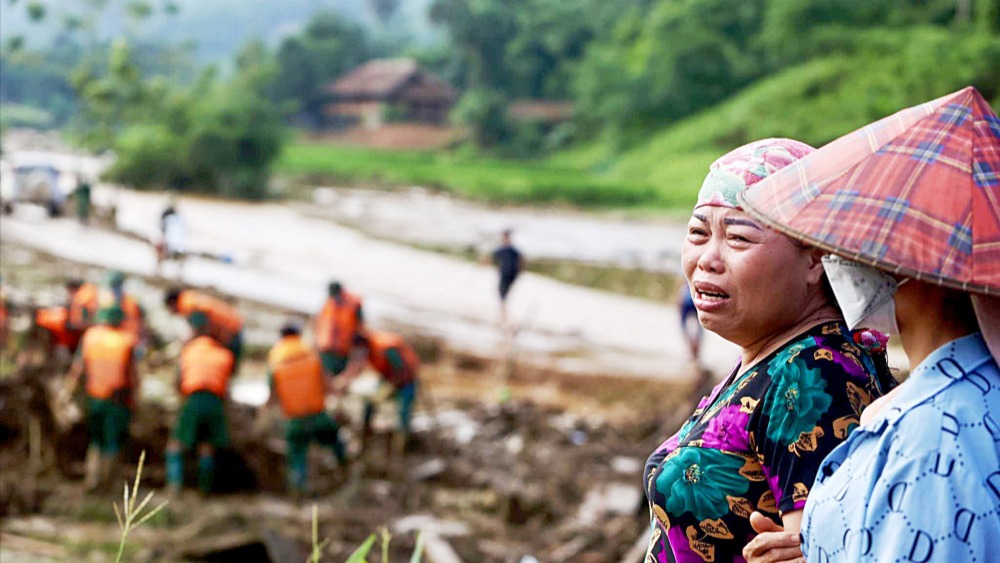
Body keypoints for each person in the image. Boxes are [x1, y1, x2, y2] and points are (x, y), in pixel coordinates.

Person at [739, 90, 1000, 562]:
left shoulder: (931, 435)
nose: (845, 257)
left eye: (868, 245)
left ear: (916, 265)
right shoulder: (956, 396)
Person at [642, 139, 895, 563]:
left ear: (815, 257)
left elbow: (815, 548)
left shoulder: (812, 374)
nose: (707, 259)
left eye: (738, 238)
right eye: (698, 233)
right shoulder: (771, 356)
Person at [265, 322, 349, 496]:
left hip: (294, 419)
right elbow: (327, 382)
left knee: (297, 456)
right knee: (335, 441)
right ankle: (346, 472)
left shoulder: (275, 356)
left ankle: (298, 490)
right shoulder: (310, 351)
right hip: (318, 415)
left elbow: (272, 393)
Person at [64, 306, 140, 490]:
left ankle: (92, 479)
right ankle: (109, 481)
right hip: (118, 399)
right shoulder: (126, 340)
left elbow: (78, 368)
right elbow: (133, 375)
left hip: (95, 397)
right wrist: (136, 400)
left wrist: (68, 391)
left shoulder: (91, 337)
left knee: (96, 438)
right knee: (113, 440)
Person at [166, 312, 234, 495]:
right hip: (215, 402)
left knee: (175, 445)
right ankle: (204, 490)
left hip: (194, 399)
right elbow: (227, 388)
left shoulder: (188, 351)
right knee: (207, 448)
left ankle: (174, 486)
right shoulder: (224, 354)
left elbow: (178, 382)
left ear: (193, 330)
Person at [337, 330, 419, 455]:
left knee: (403, 412)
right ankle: (365, 438)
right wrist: (343, 381)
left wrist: (391, 386)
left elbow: (402, 369)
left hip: (406, 380)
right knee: (370, 402)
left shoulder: (385, 347)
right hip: (388, 377)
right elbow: (356, 366)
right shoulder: (366, 351)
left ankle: (401, 447)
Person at [165, 287, 244, 373]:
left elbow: (200, 330)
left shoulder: (190, 305)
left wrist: (184, 345)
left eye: (169, 308)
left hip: (231, 333)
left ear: (172, 303)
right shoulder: (191, 300)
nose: (170, 312)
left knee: (226, 367)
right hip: (232, 330)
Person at [313, 281, 364, 377]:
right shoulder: (330, 302)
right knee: (324, 375)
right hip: (326, 347)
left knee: (336, 375)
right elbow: (320, 322)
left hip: (341, 349)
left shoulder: (353, 303)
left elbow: (360, 325)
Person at [491, 229, 522, 324]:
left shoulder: (513, 250)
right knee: (501, 292)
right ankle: (503, 312)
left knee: (503, 292)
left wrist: (518, 273)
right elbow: (493, 258)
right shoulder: (502, 249)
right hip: (504, 273)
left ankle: (503, 313)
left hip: (511, 274)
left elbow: (520, 261)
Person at [156, 195, 187, 277]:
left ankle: (178, 274)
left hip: (174, 239)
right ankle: (159, 271)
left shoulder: (177, 214)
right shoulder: (166, 214)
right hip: (167, 238)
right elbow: (162, 227)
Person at [677, 282, 703, 364]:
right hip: (689, 297)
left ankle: (694, 355)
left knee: (695, 331)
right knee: (689, 331)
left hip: (691, 297)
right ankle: (693, 354)